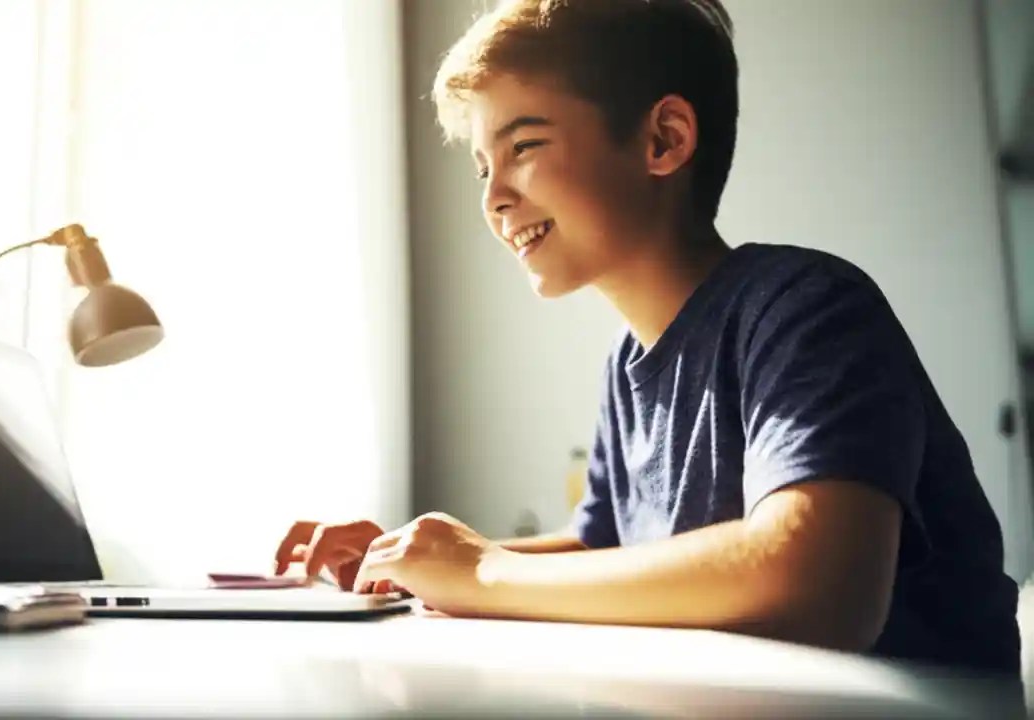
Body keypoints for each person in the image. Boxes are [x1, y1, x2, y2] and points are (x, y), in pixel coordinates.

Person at [274, 0, 1019, 677]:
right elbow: (611, 552)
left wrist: (486, 574)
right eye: (481, 166)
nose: (494, 197)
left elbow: (818, 584)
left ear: (663, 139)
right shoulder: (626, 365)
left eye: (524, 145)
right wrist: (409, 560)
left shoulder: (808, 308)